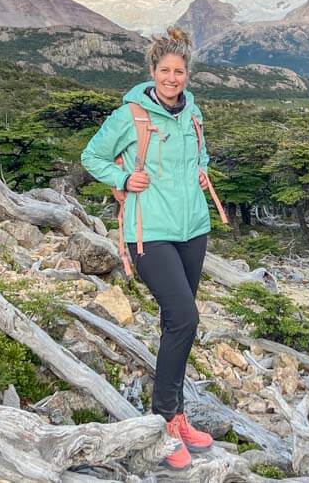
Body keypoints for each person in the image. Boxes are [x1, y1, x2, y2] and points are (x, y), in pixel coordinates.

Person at [80, 26, 215, 470]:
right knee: (184, 317)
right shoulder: (132, 115)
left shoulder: (193, 113)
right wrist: (123, 180)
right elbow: (91, 156)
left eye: (179, 71)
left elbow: (202, 156)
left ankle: (176, 414)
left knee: (178, 321)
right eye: (165, 71)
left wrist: (199, 171)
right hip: (149, 231)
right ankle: (162, 423)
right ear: (152, 72)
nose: (172, 78)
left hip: (193, 227)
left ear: (187, 75)